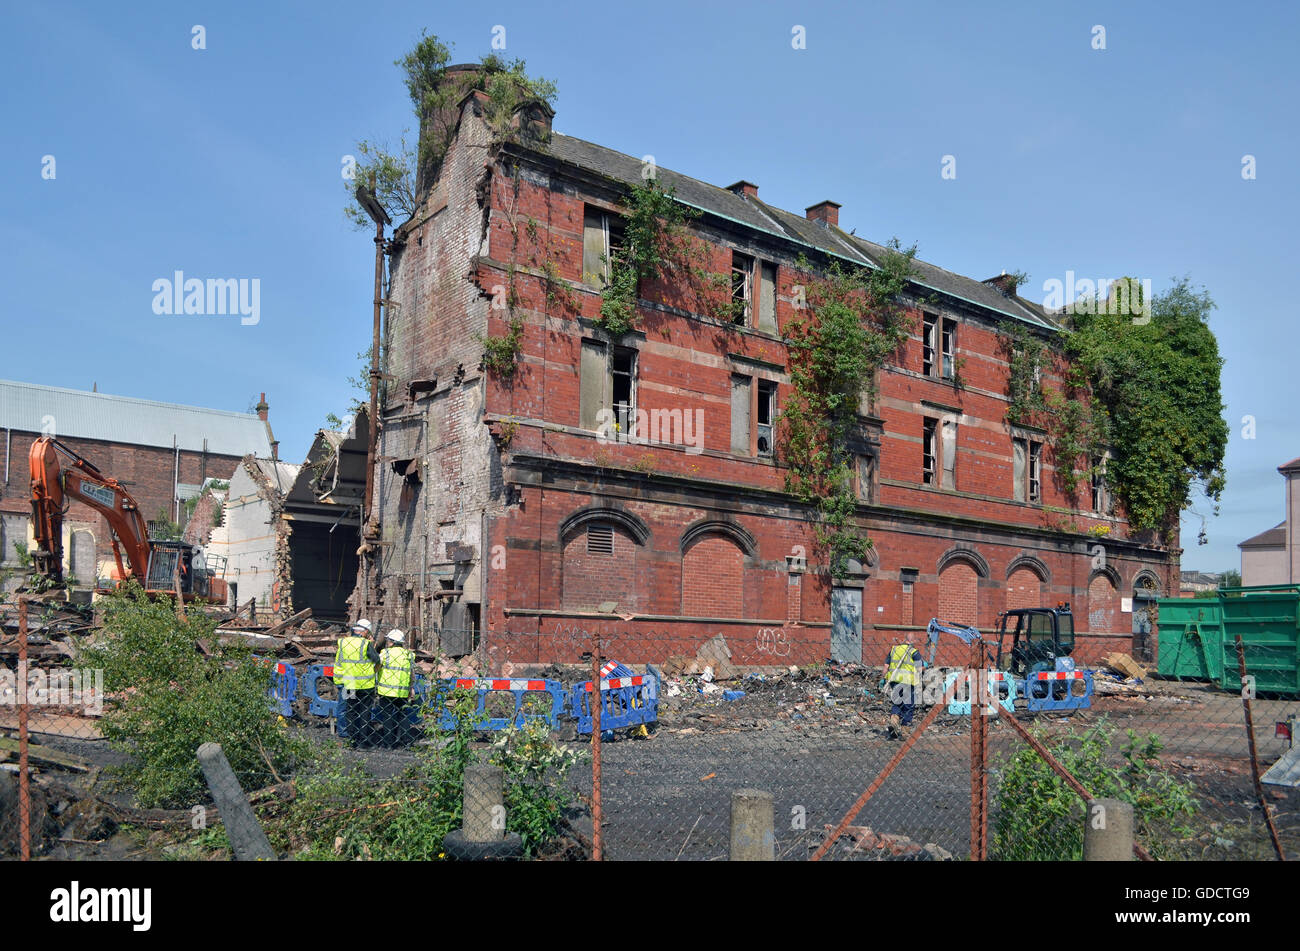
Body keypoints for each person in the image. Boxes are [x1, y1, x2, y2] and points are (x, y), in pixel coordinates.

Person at [333, 619, 378, 747]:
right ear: (364, 632)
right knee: (363, 711)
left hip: (348, 681)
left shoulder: (343, 642)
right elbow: (376, 660)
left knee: (349, 710)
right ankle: (361, 738)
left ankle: (348, 737)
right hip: (364, 684)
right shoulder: (365, 644)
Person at [375, 629, 416, 749]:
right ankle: (406, 742)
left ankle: (388, 743)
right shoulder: (409, 655)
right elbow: (411, 673)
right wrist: (411, 688)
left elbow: (376, 667)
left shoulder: (385, 653)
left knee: (387, 716)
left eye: (388, 640)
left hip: (386, 691)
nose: (387, 642)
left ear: (392, 642)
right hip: (402, 691)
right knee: (403, 715)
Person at [884, 637, 924, 739]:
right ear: (911, 642)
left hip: (894, 681)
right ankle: (904, 731)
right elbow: (920, 668)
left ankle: (894, 718)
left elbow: (885, 667)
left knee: (897, 702)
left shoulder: (894, 650)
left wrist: (884, 679)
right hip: (908, 682)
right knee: (908, 706)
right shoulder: (914, 652)